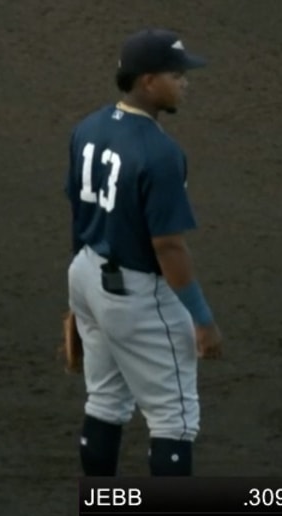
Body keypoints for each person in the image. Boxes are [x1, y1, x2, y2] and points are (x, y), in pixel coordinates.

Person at [65, 28, 225, 477]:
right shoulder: (160, 153)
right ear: (148, 81)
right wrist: (202, 318)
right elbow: (168, 245)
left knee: (105, 401)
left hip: (87, 274)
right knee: (174, 420)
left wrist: (80, 298)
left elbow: (79, 210)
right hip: (136, 296)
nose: (186, 83)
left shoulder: (87, 128)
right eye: (177, 75)